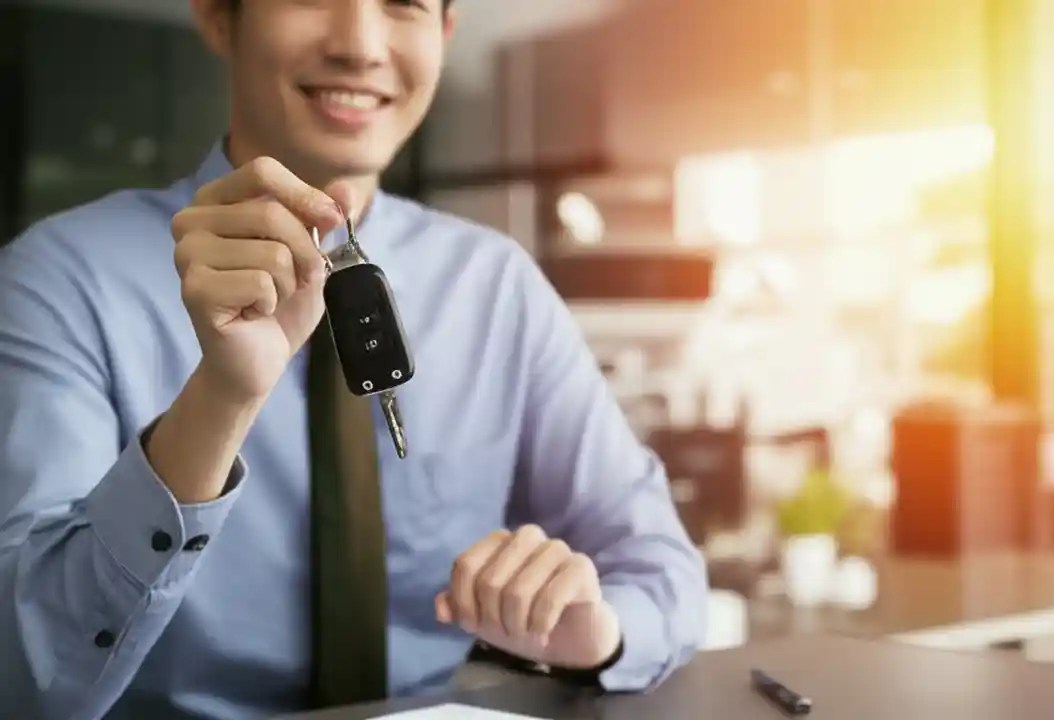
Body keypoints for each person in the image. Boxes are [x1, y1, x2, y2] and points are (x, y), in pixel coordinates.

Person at [0, 1, 707, 718]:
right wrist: (219, 400)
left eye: (404, 3)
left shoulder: (496, 286)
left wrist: (598, 632)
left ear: (444, 35)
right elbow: (21, 678)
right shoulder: (58, 281)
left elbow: (663, 576)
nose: (362, 46)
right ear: (218, 17)